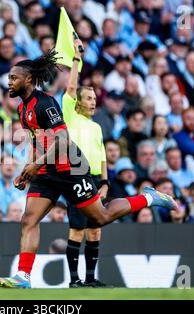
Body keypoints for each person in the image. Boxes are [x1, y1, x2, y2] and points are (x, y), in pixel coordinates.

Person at [0, 49, 177, 289]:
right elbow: (38, 142)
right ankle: (23, 277)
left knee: (101, 216)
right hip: (47, 172)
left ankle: (148, 198)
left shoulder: (45, 102)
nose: (9, 82)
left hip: (71, 168)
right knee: (28, 219)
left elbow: (63, 140)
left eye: (13, 78)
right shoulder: (21, 109)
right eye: (8, 78)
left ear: (28, 79)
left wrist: (37, 164)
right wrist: (29, 168)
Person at [62, 38, 110, 288]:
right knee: (77, 230)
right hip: (76, 176)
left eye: (94, 98)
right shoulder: (69, 115)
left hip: (93, 179)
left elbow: (102, 156)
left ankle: (90, 279)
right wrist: (76, 59)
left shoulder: (97, 126)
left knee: (95, 229)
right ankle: (74, 280)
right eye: (88, 98)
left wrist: (104, 182)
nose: (93, 102)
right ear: (78, 101)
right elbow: (71, 87)